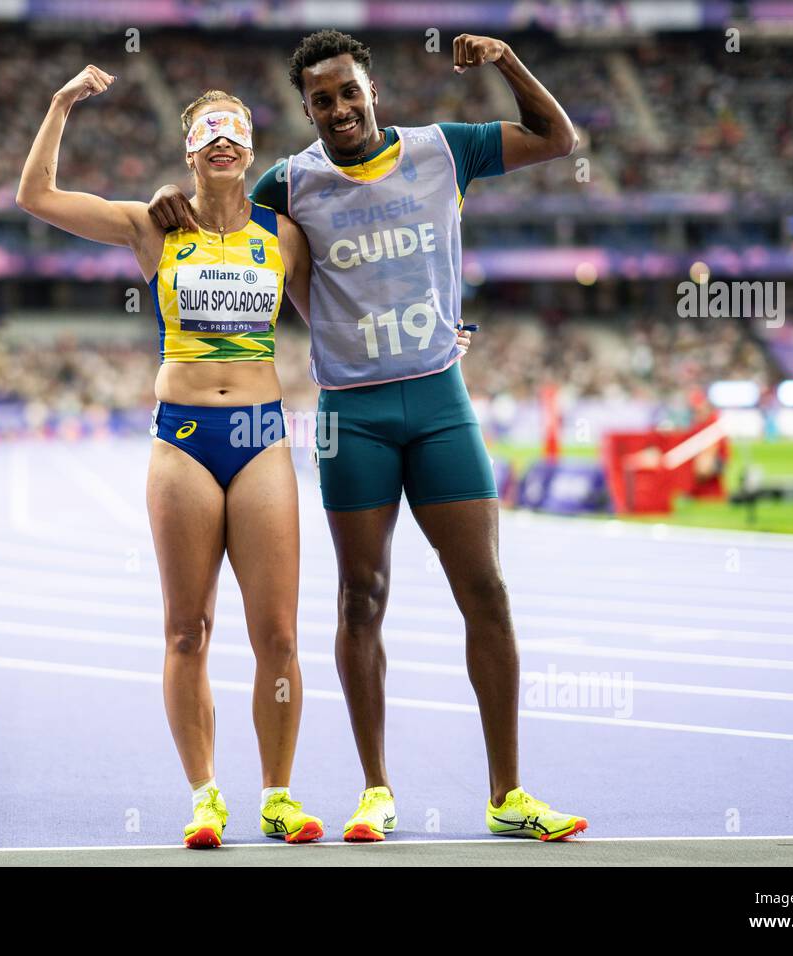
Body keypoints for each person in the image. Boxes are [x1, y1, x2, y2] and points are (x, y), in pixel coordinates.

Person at [149, 31, 589, 841]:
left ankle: (508, 794)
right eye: (321, 100)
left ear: (371, 88)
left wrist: (505, 63)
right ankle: (376, 791)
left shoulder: (443, 150)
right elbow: (216, 211)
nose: (339, 109)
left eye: (349, 91)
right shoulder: (289, 182)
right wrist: (165, 199)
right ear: (307, 109)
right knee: (361, 599)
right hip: (352, 412)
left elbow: (560, 139)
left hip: (438, 402)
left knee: (484, 590)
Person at [16, 68, 325, 847]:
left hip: (259, 436)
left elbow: (339, 316)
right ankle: (205, 795)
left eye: (235, 128)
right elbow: (36, 198)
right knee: (187, 631)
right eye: (207, 130)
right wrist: (60, 105)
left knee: (279, 636)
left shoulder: (283, 235)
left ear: (252, 149)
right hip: (183, 439)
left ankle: (279, 795)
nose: (222, 139)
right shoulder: (154, 226)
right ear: (190, 151)